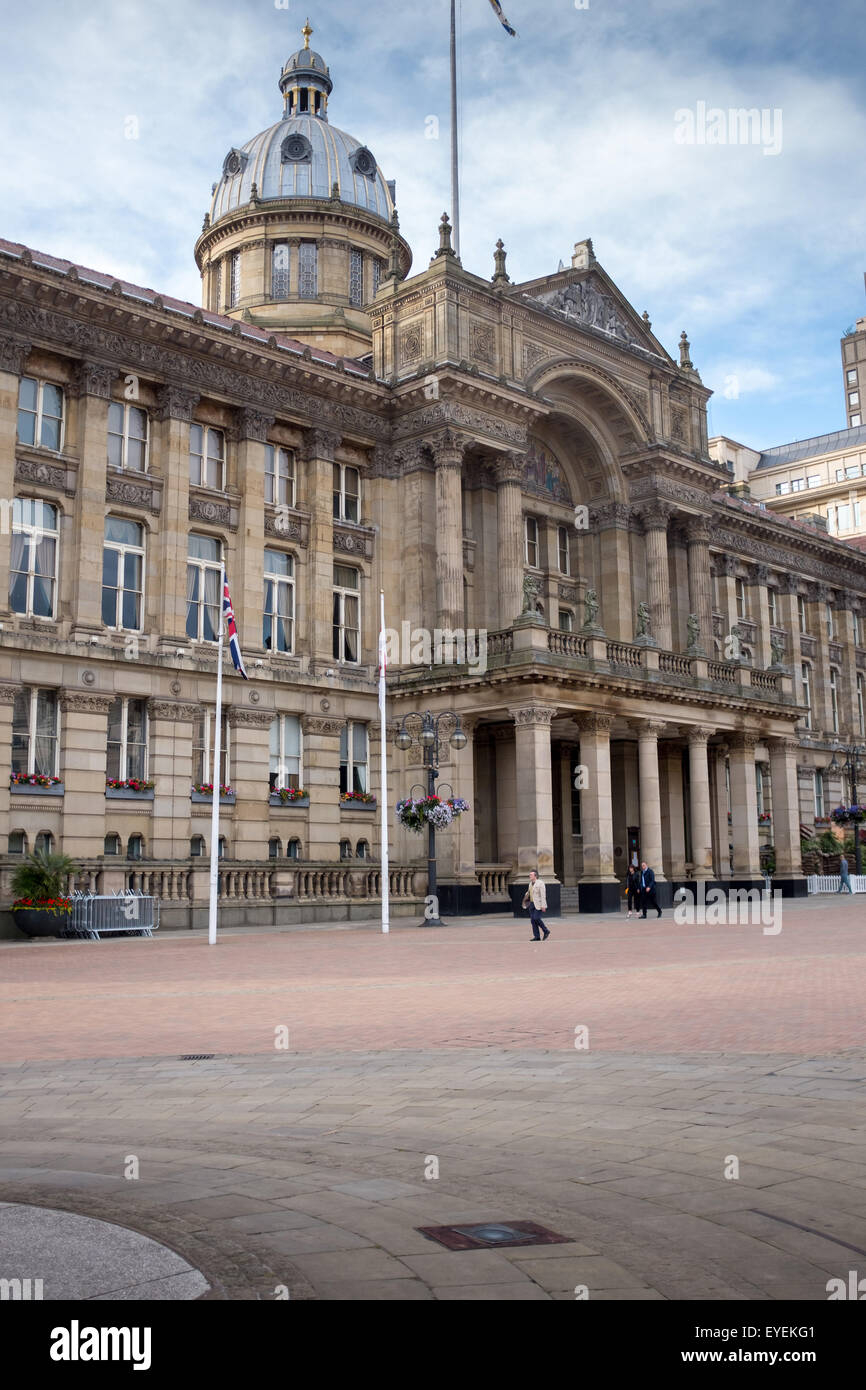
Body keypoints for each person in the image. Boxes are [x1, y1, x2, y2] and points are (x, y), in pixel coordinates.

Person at [526, 870, 550, 941]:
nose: (529, 876)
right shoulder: (530, 883)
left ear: (535, 876)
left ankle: (546, 931)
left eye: (531, 875)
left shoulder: (540, 883)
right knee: (533, 921)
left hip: (538, 904)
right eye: (529, 875)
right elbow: (530, 892)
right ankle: (537, 937)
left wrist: (543, 905)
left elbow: (543, 895)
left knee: (536, 918)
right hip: (531, 904)